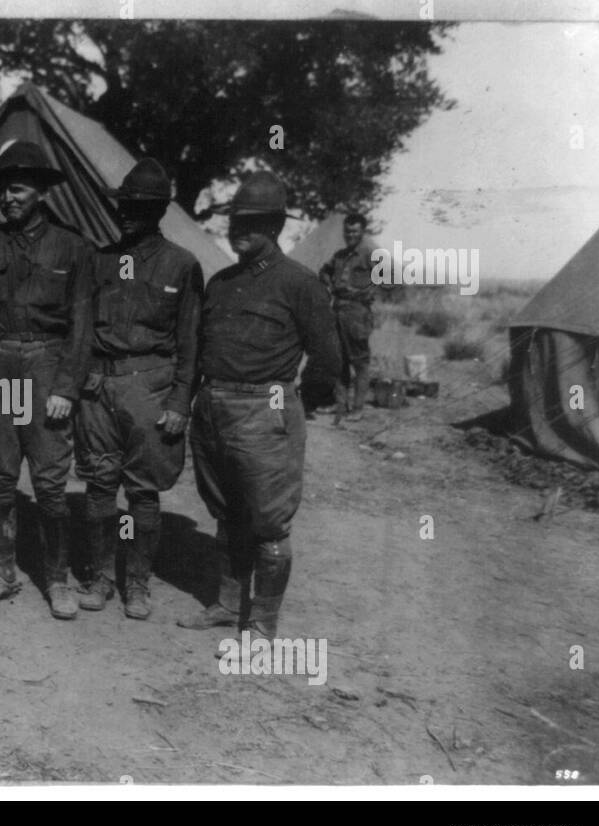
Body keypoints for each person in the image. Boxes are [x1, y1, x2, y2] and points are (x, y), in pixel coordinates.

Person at [179, 171, 341, 638]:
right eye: (235, 221)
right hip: (212, 408)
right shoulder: (221, 283)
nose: (238, 231)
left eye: (252, 222)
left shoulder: (301, 284)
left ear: (275, 226)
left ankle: (263, 625)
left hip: (263, 412)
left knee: (268, 523)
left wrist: (288, 405)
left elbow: (328, 359)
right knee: (227, 513)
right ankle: (228, 606)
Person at [0, 141, 93, 620]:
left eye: (18, 189)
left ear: (40, 193)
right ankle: (2, 574)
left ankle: (57, 579)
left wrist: (66, 388)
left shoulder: (71, 247)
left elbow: (80, 324)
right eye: (3, 190)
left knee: (51, 481)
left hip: (45, 363)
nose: (8, 198)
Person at [75, 159, 202, 620]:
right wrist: (82, 377)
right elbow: (81, 327)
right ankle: (101, 577)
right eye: (125, 204)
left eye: (141, 207)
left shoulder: (181, 265)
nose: (128, 213)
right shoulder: (100, 259)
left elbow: (190, 342)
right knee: (98, 485)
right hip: (98, 387)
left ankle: (137, 582)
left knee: (143, 492)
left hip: (150, 386)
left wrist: (180, 401)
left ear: (160, 211)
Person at [318, 212, 379, 422]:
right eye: (347, 230)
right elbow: (324, 271)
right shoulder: (339, 256)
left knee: (360, 362)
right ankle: (340, 406)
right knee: (339, 361)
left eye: (354, 231)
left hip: (358, 312)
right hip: (338, 310)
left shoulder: (370, 254)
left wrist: (366, 291)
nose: (350, 234)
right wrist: (327, 284)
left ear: (362, 232)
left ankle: (358, 408)